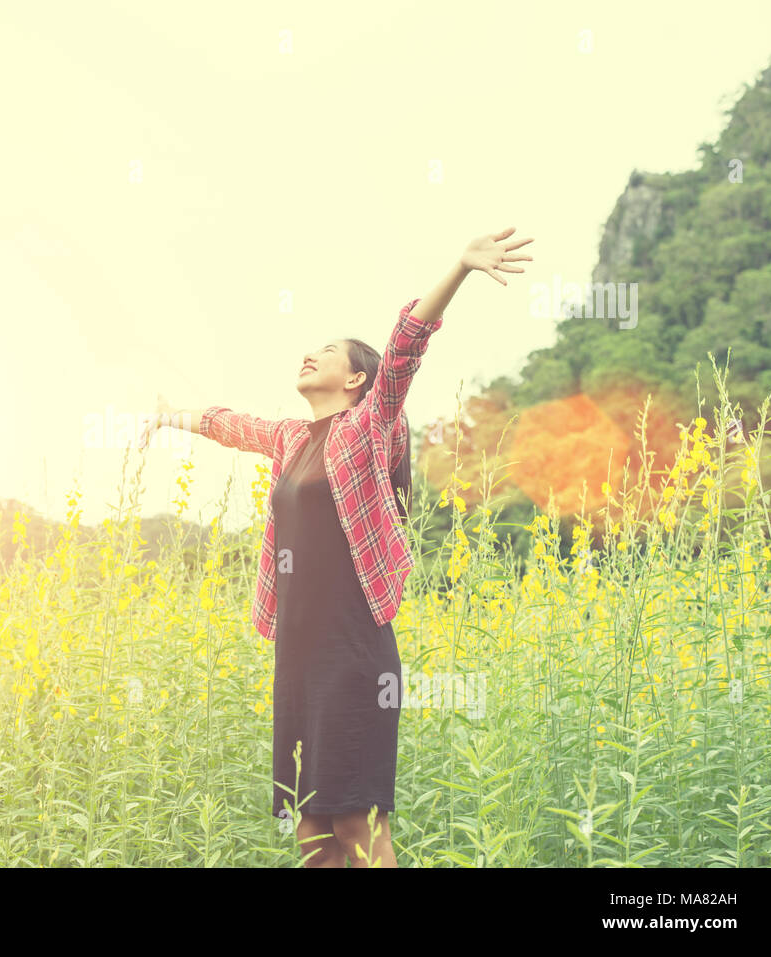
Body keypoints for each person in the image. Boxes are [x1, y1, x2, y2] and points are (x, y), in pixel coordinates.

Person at [138, 227, 534, 866]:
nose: (308, 355)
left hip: (353, 654)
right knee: (312, 832)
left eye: (325, 352)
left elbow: (406, 345)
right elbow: (229, 426)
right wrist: (168, 416)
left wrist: (459, 267)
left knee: (358, 823)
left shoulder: (369, 427)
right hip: (299, 655)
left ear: (355, 377)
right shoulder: (294, 439)